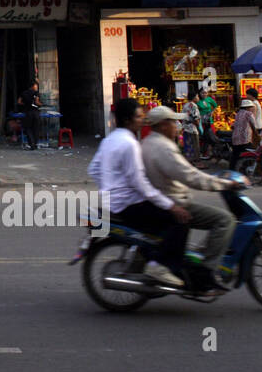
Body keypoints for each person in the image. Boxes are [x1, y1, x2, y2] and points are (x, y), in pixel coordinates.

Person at [88, 98, 192, 287]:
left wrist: (110, 187)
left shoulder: (109, 140)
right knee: (181, 219)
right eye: (138, 116)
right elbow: (140, 184)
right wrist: (171, 206)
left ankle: (151, 257)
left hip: (115, 203)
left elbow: (94, 169)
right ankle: (160, 266)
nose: (142, 120)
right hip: (130, 205)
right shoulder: (130, 144)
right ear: (128, 120)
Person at [140, 106, 245, 292]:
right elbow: (191, 177)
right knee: (224, 220)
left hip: (162, 200)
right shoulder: (163, 148)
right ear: (163, 125)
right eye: (173, 122)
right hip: (174, 202)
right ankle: (205, 271)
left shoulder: (148, 142)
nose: (177, 126)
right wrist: (224, 184)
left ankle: (196, 258)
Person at [229, 97, 261, 172]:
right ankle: (245, 170)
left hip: (235, 138)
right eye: (250, 107)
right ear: (247, 107)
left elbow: (233, 125)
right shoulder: (249, 114)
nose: (251, 109)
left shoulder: (238, 114)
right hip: (245, 138)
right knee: (248, 154)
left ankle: (232, 170)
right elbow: (253, 125)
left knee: (235, 156)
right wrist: (256, 134)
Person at [19, 80, 41, 150]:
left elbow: (19, 102)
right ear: (32, 86)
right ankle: (36, 144)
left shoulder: (24, 93)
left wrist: (26, 105)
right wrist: (41, 104)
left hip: (28, 113)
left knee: (28, 128)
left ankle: (31, 144)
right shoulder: (36, 93)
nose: (37, 87)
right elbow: (37, 102)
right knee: (36, 128)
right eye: (36, 85)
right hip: (35, 113)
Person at [196, 87, 217, 155]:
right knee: (203, 136)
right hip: (201, 121)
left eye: (206, 93)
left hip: (209, 120)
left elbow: (215, 106)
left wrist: (212, 112)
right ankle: (203, 152)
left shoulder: (209, 99)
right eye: (202, 93)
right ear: (199, 93)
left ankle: (213, 152)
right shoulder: (197, 100)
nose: (204, 94)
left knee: (212, 136)